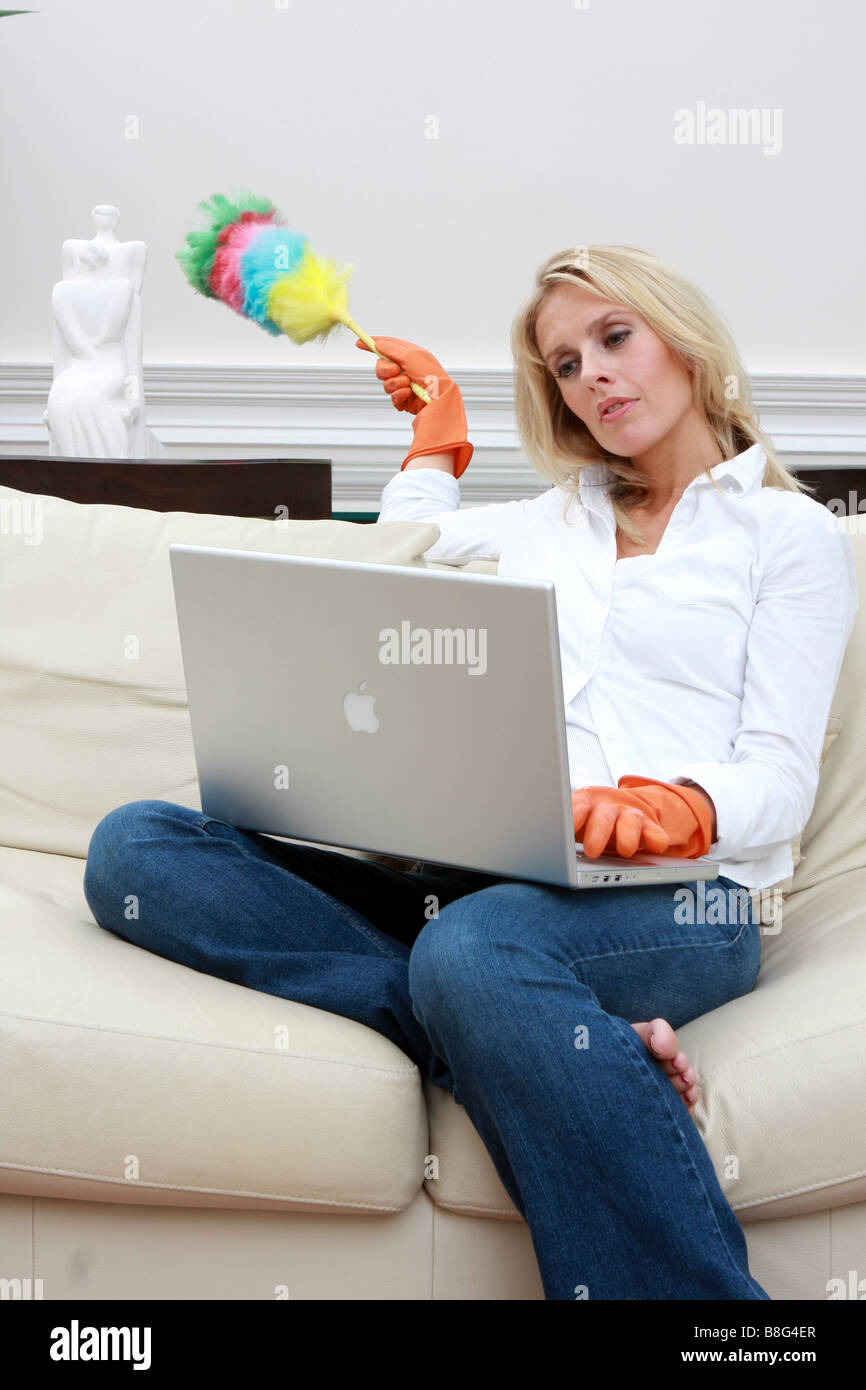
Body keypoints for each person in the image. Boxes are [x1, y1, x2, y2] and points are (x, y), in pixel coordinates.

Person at [83, 244, 858, 1300]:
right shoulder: (544, 523)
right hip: (480, 884)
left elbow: (778, 775)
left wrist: (673, 805)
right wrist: (434, 446)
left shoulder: (787, 533)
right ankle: (555, 1040)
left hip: (684, 900)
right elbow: (402, 552)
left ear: (683, 340)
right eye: (564, 365)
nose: (591, 375)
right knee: (138, 848)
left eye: (613, 338)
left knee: (470, 951)